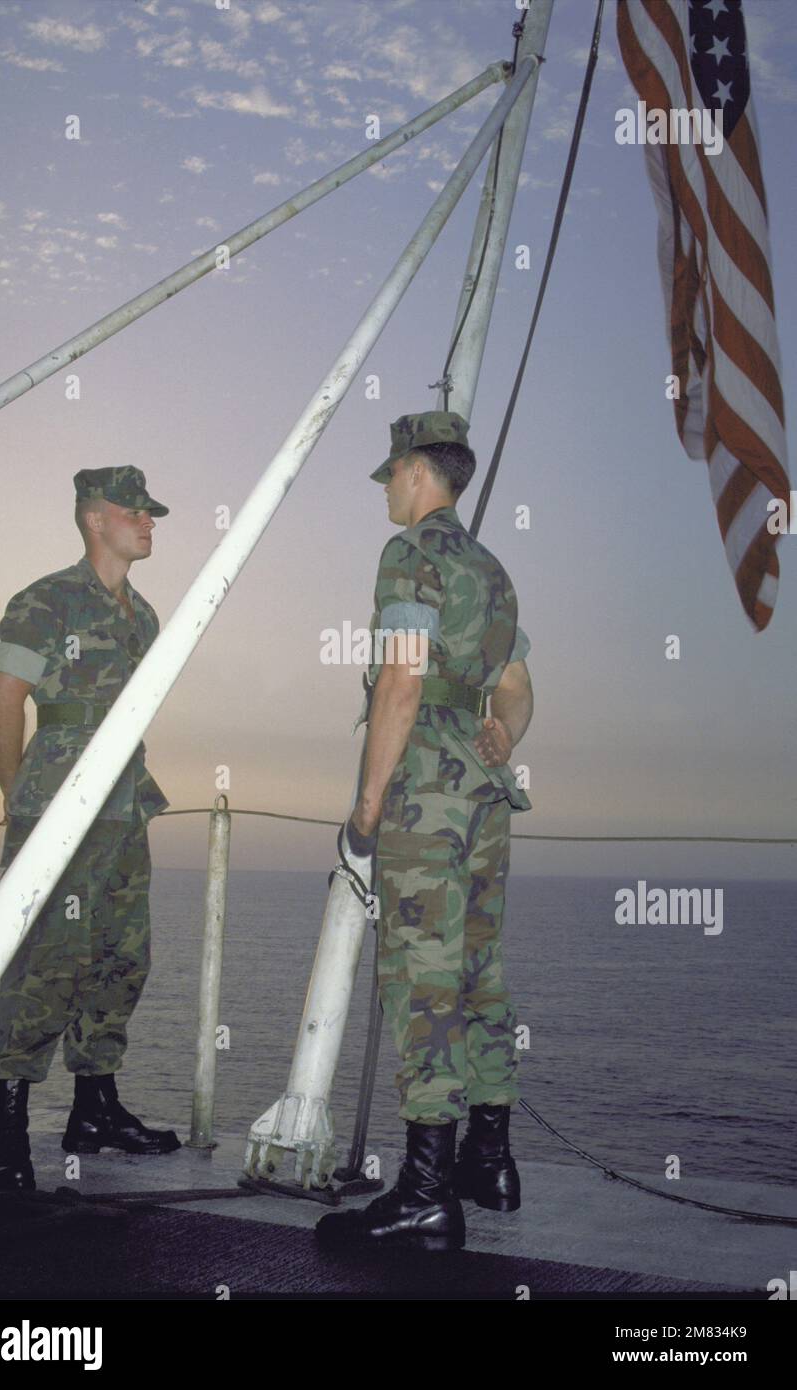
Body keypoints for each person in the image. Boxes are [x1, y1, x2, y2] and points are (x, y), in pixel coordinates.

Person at [316, 412, 533, 1253]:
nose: (386, 490)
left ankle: (426, 1195)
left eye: (389, 475)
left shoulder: (409, 554)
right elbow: (514, 688)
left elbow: (401, 680)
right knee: (479, 969)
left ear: (414, 471)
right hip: (482, 795)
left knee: (421, 980)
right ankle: (491, 1161)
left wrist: (368, 808)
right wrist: (504, 735)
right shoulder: (492, 569)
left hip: (425, 797)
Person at [0, 466, 180, 1192]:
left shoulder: (147, 616)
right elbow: (3, 702)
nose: (149, 522)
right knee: (44, 961)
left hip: (125, 806)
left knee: (123, 956)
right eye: (137, 512)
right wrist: (19, 796)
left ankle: (94, 1107)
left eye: (150, 514)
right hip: (58, 805)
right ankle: (7, 1125)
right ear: (96, 519)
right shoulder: (44, 601)